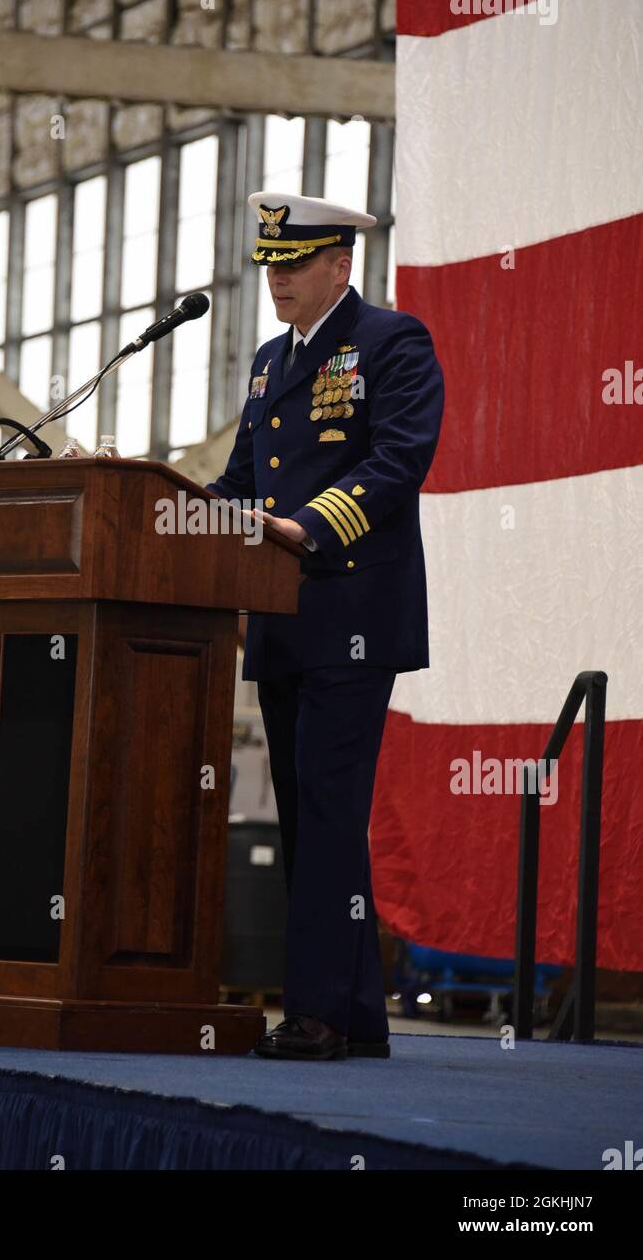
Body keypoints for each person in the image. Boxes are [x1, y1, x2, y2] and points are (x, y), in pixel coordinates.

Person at [206, 192, 444, 1061]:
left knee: (331, 805)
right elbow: (239, 481)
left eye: (295, 263)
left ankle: (312, 1014)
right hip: (278, 619)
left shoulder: (391, 342)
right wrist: (160, 506)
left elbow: (400, 459)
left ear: (340, 265)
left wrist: (307, 524)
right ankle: (358, 1017)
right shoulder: (271, 362)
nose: (278, 280)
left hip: (350, 609)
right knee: (309, 815)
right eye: (270, 265)